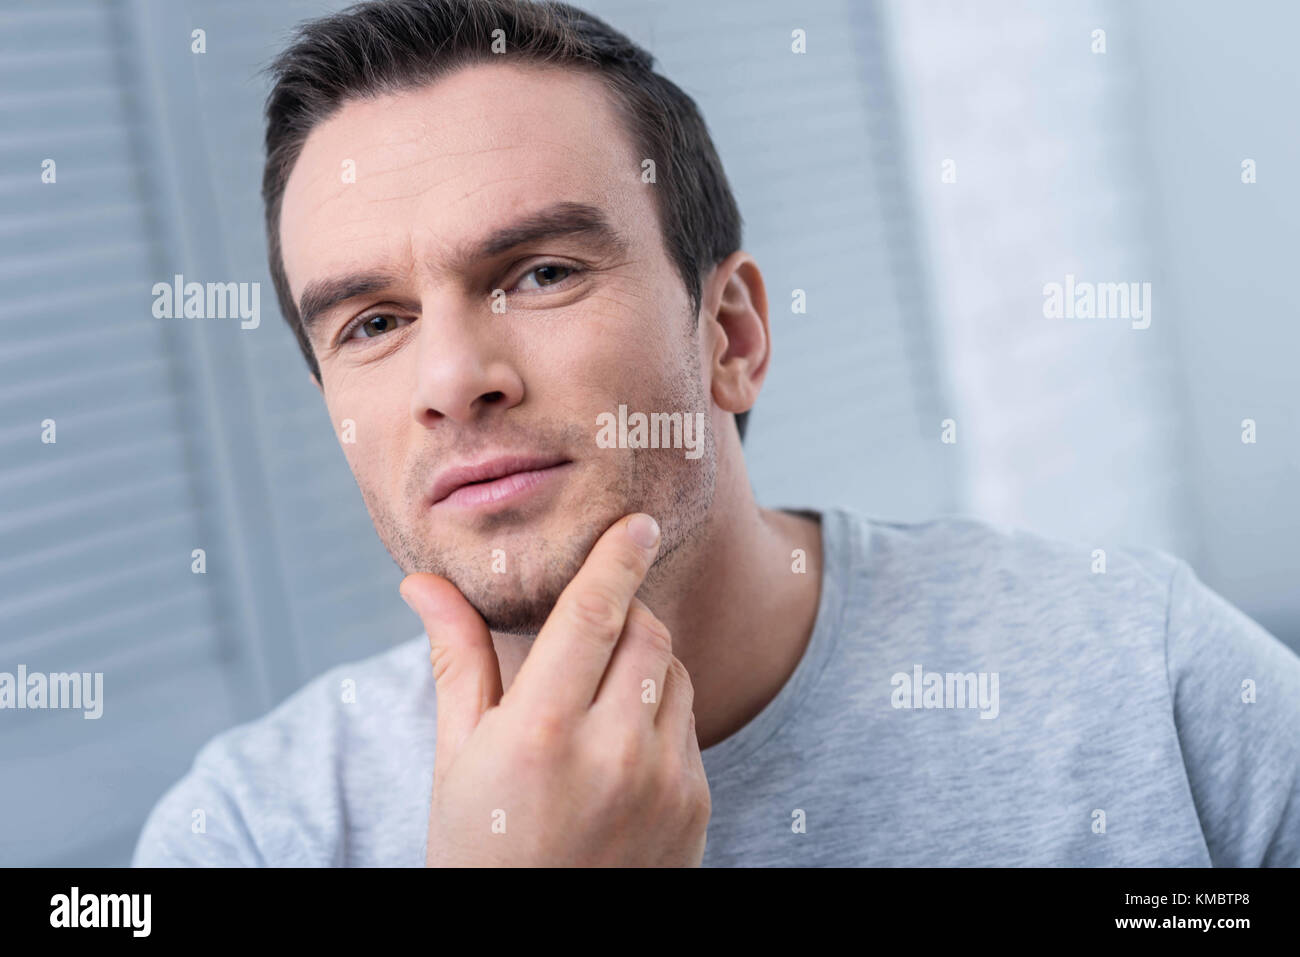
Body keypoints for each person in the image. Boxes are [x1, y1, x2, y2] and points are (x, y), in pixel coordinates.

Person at [132, 0, 1300, 867]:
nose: (451, 380)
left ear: (729, 332)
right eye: (374, 322)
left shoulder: (1145, 683)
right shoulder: (245, 834)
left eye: (539, 273)